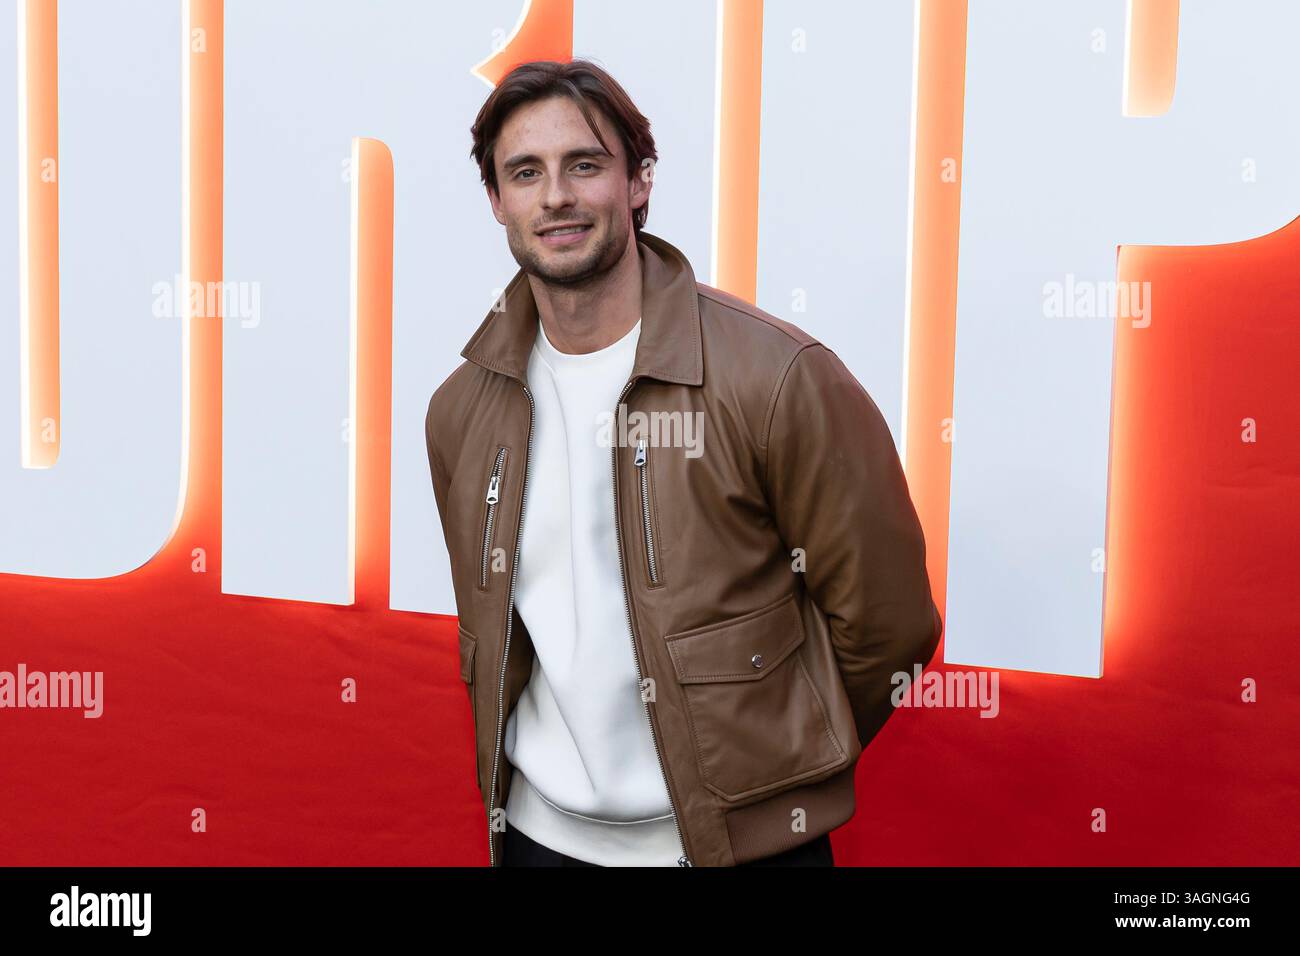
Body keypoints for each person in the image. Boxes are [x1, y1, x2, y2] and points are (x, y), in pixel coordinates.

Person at [425, 59, 943, 867]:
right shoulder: (463, 409)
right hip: (536, 842)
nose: (555, 195)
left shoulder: (775, 378)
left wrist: (770, 776)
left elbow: (890, 627)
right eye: (525, 173)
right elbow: (498, 632)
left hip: (742, 852)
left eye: (584, 164)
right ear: (497, 201)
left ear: (639, 181)